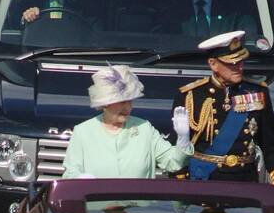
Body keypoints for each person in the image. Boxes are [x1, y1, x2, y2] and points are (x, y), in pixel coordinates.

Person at [171, 31, 274, 186]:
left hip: (244, 180)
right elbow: (178, 145)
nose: (239, 67)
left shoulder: (257, 92)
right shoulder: (191, 95)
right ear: (213, 64)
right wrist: (180, 179)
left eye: (241, 61)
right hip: (204, 179)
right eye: (232, 63)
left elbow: (269, 144)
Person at [62, 65, 192, 178]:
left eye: (130, 101)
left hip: (137, 206)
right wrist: (81, 179)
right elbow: (70, 173)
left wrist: (183, 139)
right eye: (122, 102)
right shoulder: (83, 131)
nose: (128, 107)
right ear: (105, 104)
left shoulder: (144, 128)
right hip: (95, 204)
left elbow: (173, 162)